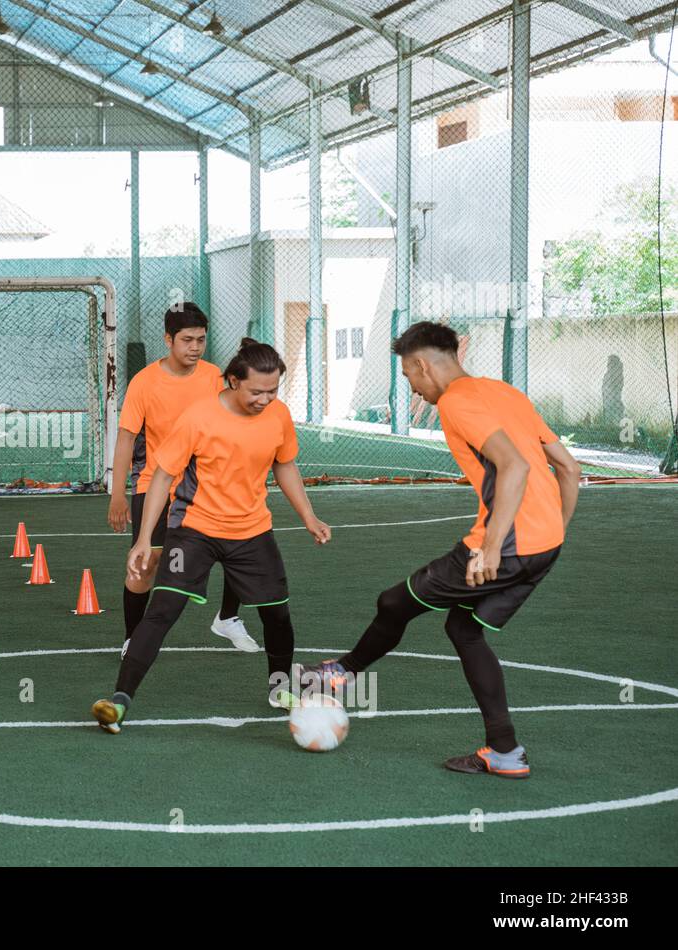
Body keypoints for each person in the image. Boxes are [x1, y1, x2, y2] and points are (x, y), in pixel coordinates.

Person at [303, 320, 580, 778]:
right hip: (544, 546)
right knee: (465, 630)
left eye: (409, 376)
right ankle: (505, 752)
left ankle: (344, 673)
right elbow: (568, 468)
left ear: (421, 365)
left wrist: (492, 549)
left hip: (504, 547)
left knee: (394, 602)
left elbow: (513, 466)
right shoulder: (505, 392)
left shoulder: (456, 403)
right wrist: (551, 533)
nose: (412, 386)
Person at [92, 338, 332, 733]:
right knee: (163, 610)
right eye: (257, 391)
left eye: (273, 391)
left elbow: (284, 466)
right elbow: (163, 476)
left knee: (278, 614)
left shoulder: (279, 416)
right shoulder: (199, 417)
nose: (265, 399)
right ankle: (119, 700)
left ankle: (280, 688)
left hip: (252, 531)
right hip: (193, 532)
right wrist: (143, 539)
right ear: (233, 381)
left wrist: (309, 515)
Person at [108, 303, 258, 653]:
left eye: (201, 340)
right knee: (145, 565)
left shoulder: (213, 377)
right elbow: (127, 438)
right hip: (155, 484)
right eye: (187, 340)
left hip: (206, 485)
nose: (194, 347)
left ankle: (227, 618)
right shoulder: (144, 382)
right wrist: (117, 493)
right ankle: (133, 638)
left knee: (240, 546)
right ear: (168, 340)